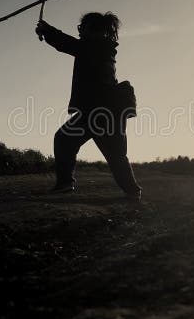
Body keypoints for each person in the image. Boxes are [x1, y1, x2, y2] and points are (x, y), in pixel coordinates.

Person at [35, 12, 142, 201]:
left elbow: (66, 43)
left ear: (95, 30)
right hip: (102, 111)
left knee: (68, 141)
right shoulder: (100, 47)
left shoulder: (96, 47)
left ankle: (66, 183)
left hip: (100, 111)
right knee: (113, 154)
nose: (80, 32)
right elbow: (68, 43)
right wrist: (47, 31)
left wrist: (47, 30)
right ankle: (132, 192)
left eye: (83, 28)